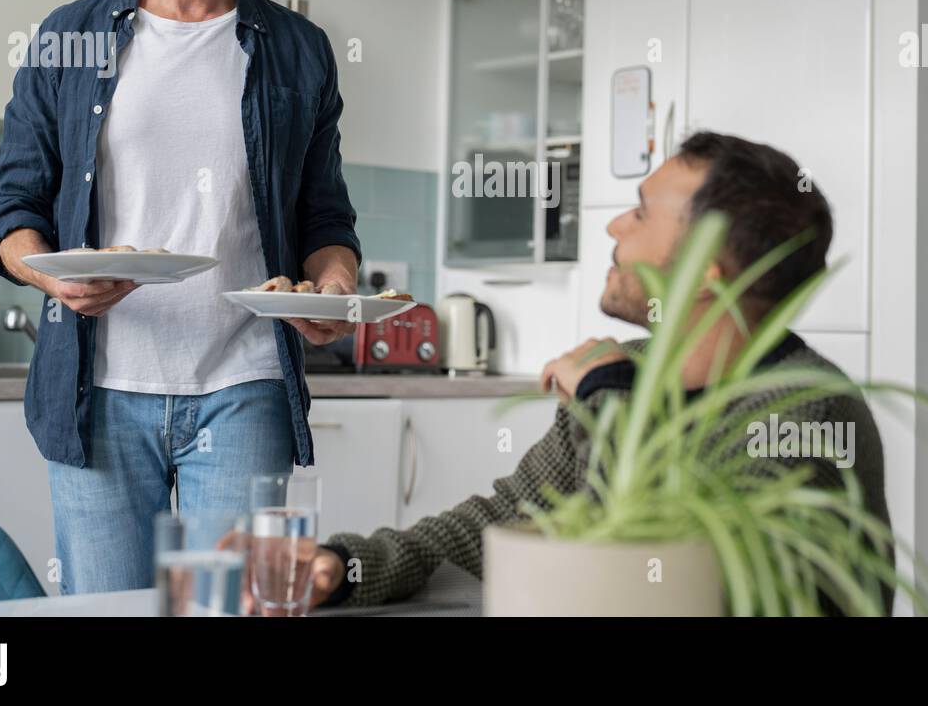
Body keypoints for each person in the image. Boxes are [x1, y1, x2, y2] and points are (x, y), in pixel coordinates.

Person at [0, 0, 360, 594]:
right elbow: (11, 208)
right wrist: (51, 278)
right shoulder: (68, 38)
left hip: (244, 383)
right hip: (99, 390)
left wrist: (336, 290)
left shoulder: (297, 49)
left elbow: (326, 216)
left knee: (233, 609)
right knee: (109, 614)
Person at [307, 132, 893, 613]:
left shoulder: (807, 409)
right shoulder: (631, 367)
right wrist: (347, 566)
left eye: (640, 213)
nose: (614, 228)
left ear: (704, 269)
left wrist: (608, 396)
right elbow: (512, 515)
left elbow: (666, 573)